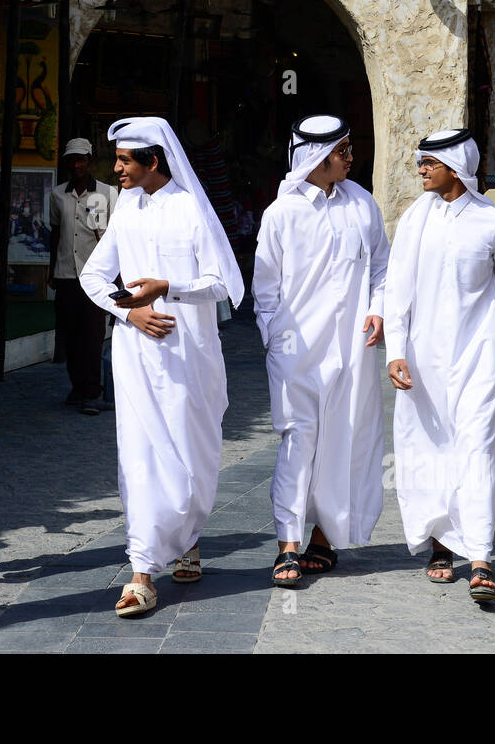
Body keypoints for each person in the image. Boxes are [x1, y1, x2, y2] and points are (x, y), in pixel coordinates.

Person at [79, 116, 243, 618]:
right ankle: (141, 572)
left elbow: (224, 284)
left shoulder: (191, 209)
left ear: (153, 161)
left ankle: (188, 540)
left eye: (126, 161)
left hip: (190, 357)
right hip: (137, 355)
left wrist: (167, 288)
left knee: (191, 455)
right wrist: (129, 311)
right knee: (140, 455)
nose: (117, 169)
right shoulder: (126, 209)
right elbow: (93, 275)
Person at [385, 129, 495, 603]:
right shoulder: (413, 220)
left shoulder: (493, 224)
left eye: (430, 162)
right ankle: (440, 545)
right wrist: (394, 351)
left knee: (477, 448)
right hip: (423, 360)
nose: (422, 170)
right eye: (421, 162)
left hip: (478, 356)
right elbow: (396, 292)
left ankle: (481, 558)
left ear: (457, 168)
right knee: (429, 448)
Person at [252, 116, 389, 586]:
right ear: (316, 156)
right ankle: (287, 545)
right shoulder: (281, 213)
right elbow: (265, 289)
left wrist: (378, 309)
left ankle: (324, 539)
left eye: (350, 149)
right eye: (343, 151)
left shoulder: (363, 205)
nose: (351, 158)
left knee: (344, 439)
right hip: (296, 353)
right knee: (298, 441)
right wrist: (275, 340)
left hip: (352, 349)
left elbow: (382, 271)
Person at [49, 137, 119, 415]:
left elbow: (112, 237)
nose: (77, 165)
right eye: (72, 160)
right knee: (70, 334)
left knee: (92, 334)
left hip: (95, 276)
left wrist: (115, 275)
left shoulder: (107, 194)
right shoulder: (57, 195)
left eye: (81, 159)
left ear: (89, 161)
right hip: (66, 272)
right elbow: (55, 232)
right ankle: (78, 386)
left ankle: (91, 391)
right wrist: (51, 269)